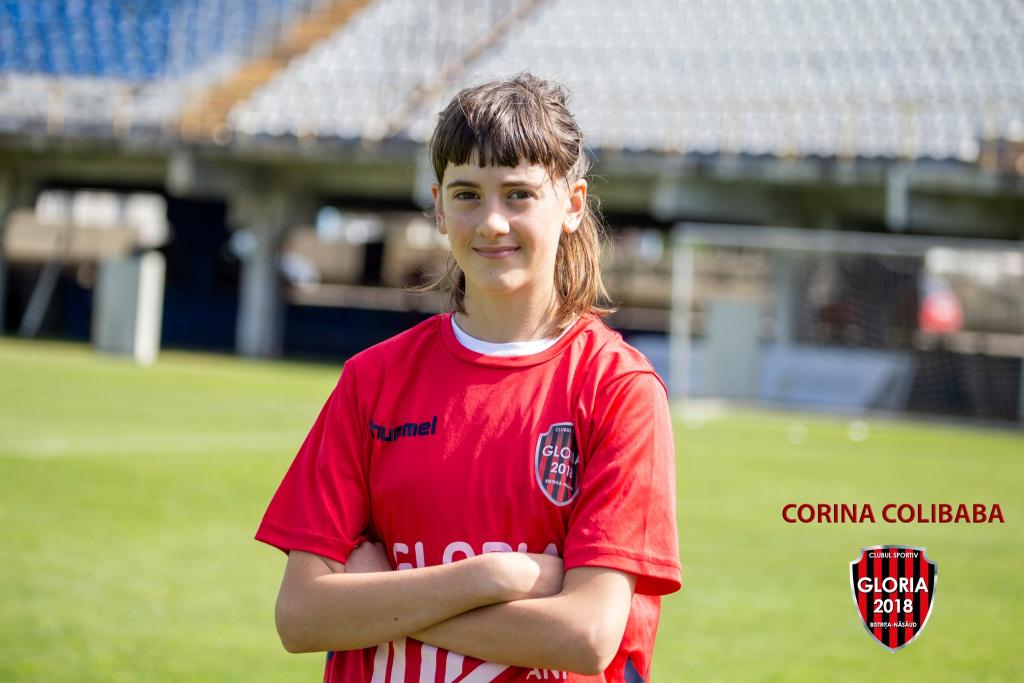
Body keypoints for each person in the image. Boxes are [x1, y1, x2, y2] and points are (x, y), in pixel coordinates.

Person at [255, 73, 681, 683]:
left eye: (518, 194)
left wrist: (382, 599)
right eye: (466, 194)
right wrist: (494, 578)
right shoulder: (372, 379)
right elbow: (300, 616)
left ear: (573, 204)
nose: (491, 223)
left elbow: (587, 635)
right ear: (437, 205)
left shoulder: (618, 389)